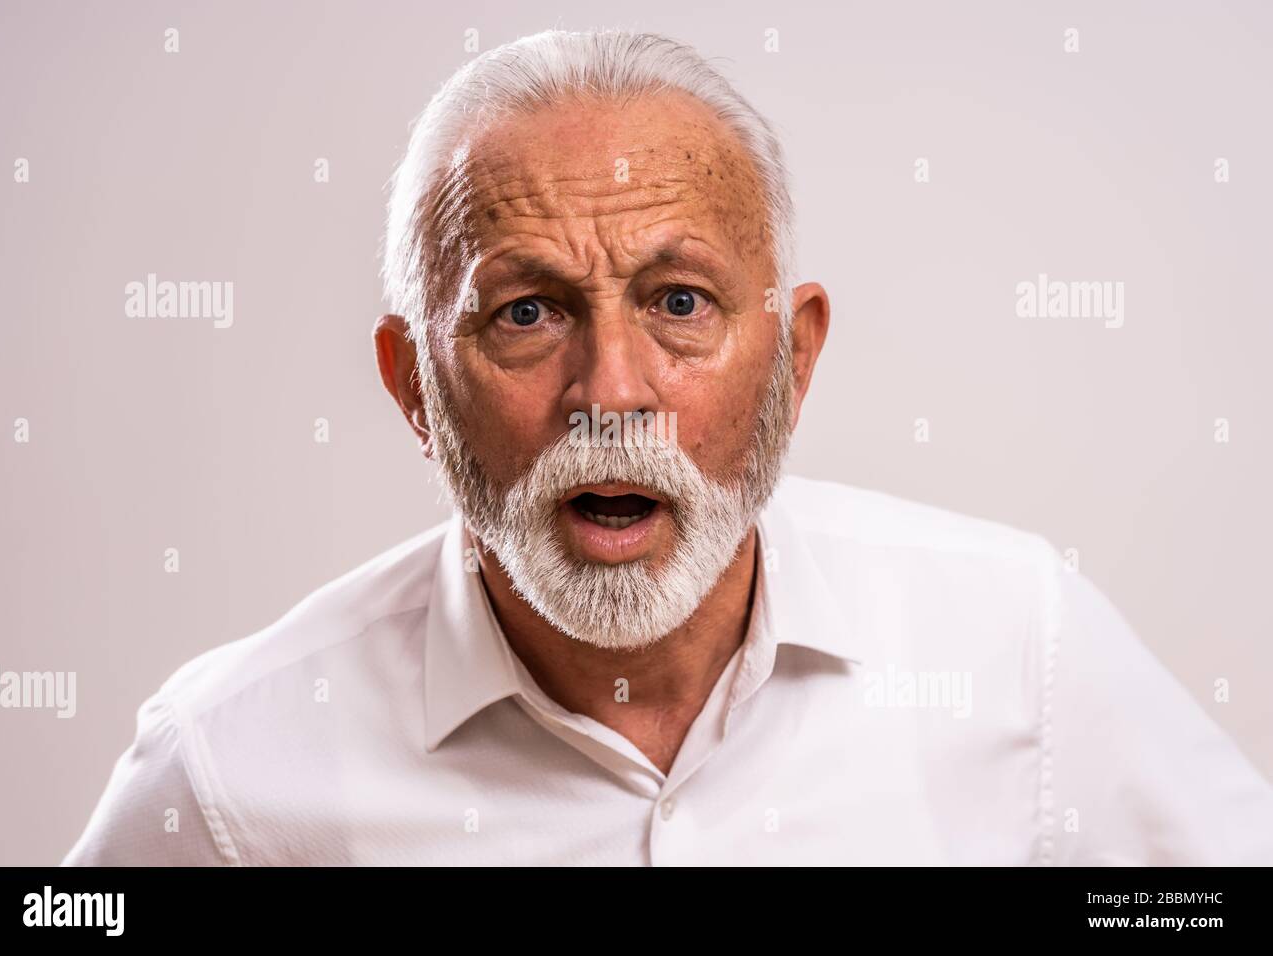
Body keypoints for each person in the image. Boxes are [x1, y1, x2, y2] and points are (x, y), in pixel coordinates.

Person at [64, 29, 1273, 866]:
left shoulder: (1020, 645)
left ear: (792, 359)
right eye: (525, 312)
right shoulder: (228, 767)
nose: (613, 395)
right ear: (411, 385)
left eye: (680, 302)